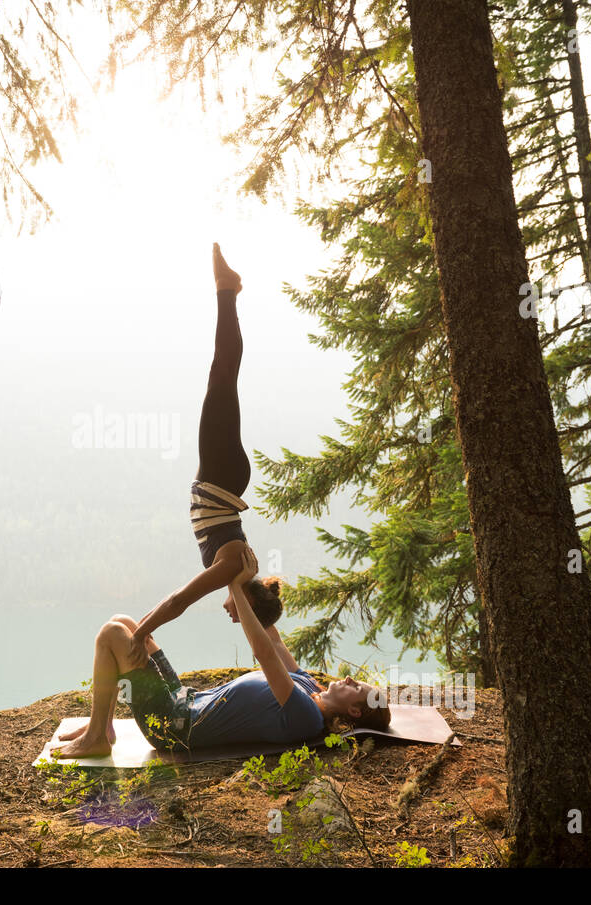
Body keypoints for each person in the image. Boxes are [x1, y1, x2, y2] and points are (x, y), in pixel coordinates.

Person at [52, 547, 391, 759]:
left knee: (111, 634)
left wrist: (233, 584)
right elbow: (272, 640)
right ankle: (105, 727)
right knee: (124, 622)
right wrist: (245, 580)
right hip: (181, 699)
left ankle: (96, 738)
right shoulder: (308, 686)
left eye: (356, 686)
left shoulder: (305, 716)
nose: (348, 678)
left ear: (354, 712)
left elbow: (263, 653)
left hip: (172, 727)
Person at [124, 244, 282, 668]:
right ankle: (226, 291)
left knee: (224, 377)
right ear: (248, 599)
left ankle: (227, 291)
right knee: (222, 375)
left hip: (225, 478)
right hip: (220, 477)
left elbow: (273, 641)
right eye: (239, 614)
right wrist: (141, 632)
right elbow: (181, 600)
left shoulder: (244, 570)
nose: (232, 616)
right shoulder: (233, 568)